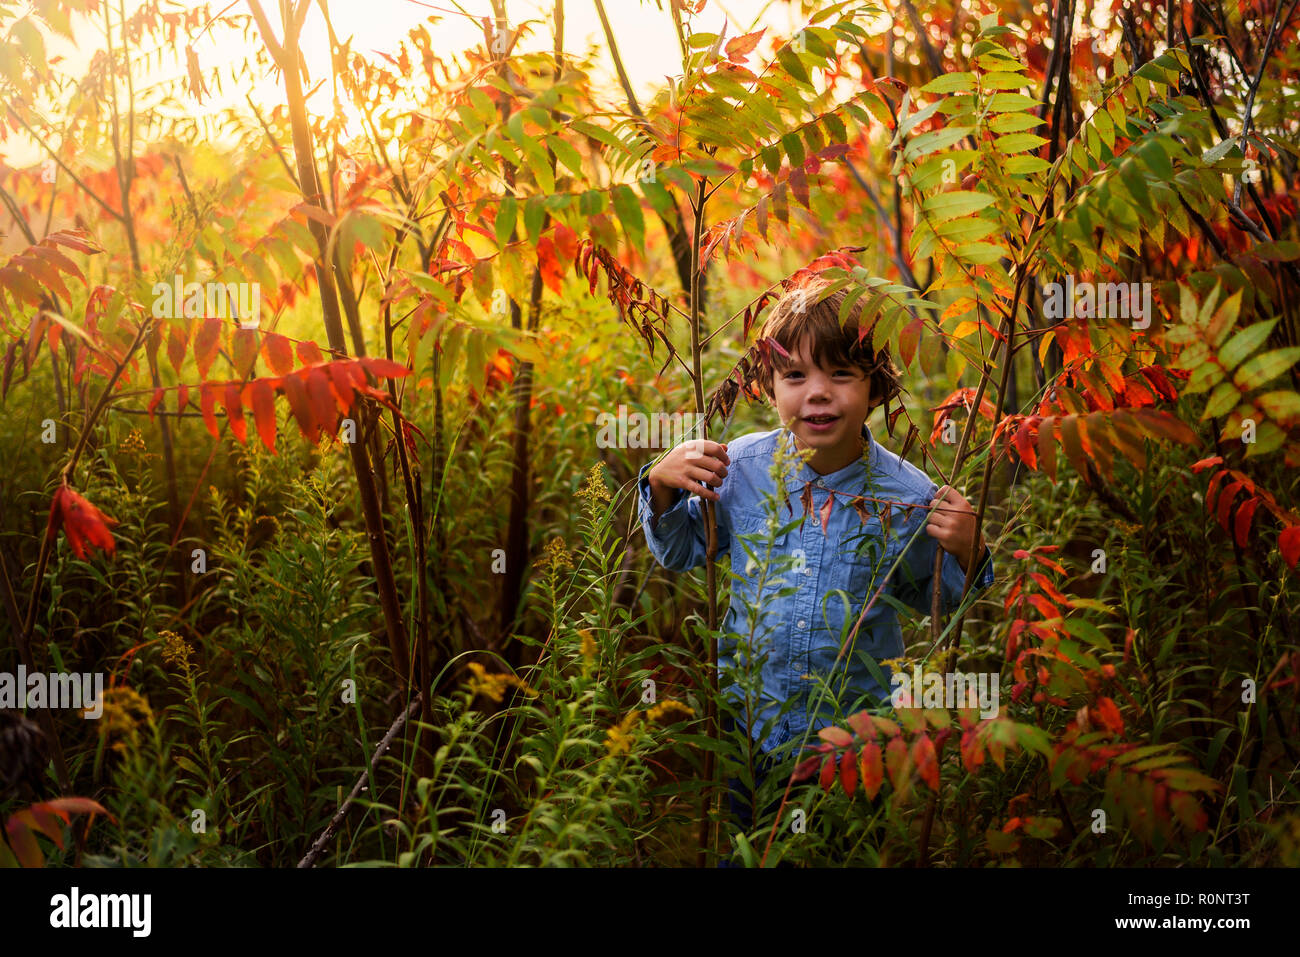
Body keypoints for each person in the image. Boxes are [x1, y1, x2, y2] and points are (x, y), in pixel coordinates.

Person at [636, 278, 996, 847]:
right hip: (751, 724)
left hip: (856, 735)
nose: (818, 394)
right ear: (769, 385)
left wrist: (970, 550)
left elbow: (945, 599)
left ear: (875, 387)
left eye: (841, 375)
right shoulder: (740, 469)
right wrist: (660, 484)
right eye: (796, 375)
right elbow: (680, 551)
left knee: (842, 850)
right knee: (748, 849)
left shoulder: (907, 494)